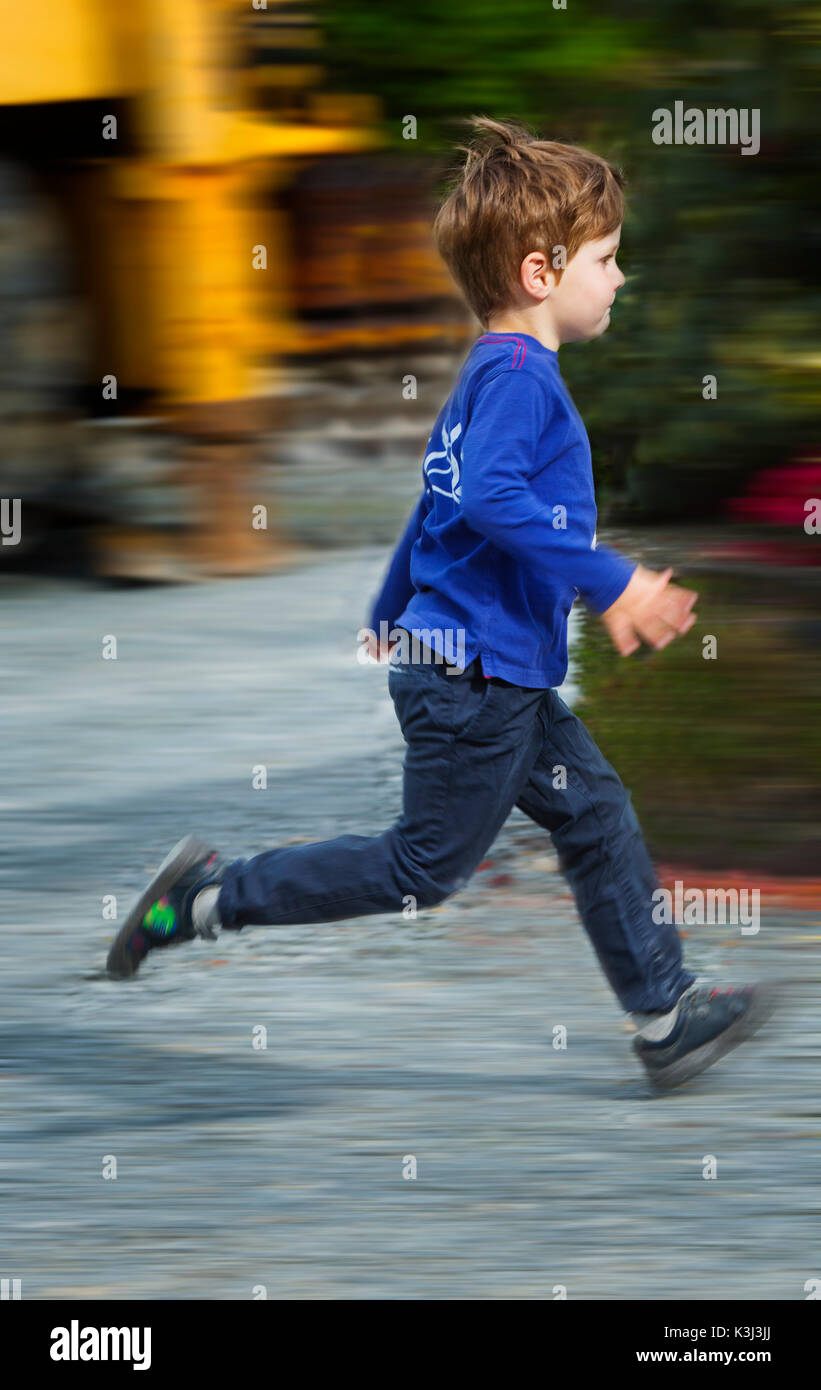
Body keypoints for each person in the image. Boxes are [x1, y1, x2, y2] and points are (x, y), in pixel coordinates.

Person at [107, 117, 778, 1090]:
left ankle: (665, 1015)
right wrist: (614, 579)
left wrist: (390, 607)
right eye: (606, 258)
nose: (619, 278)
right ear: (539, 272)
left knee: (592, 814)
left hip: (482, 675)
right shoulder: (517, 380)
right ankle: (206, 899)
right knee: (418, 868)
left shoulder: (490, 375)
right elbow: (485, 499)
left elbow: (434, 500)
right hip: (474, 685)